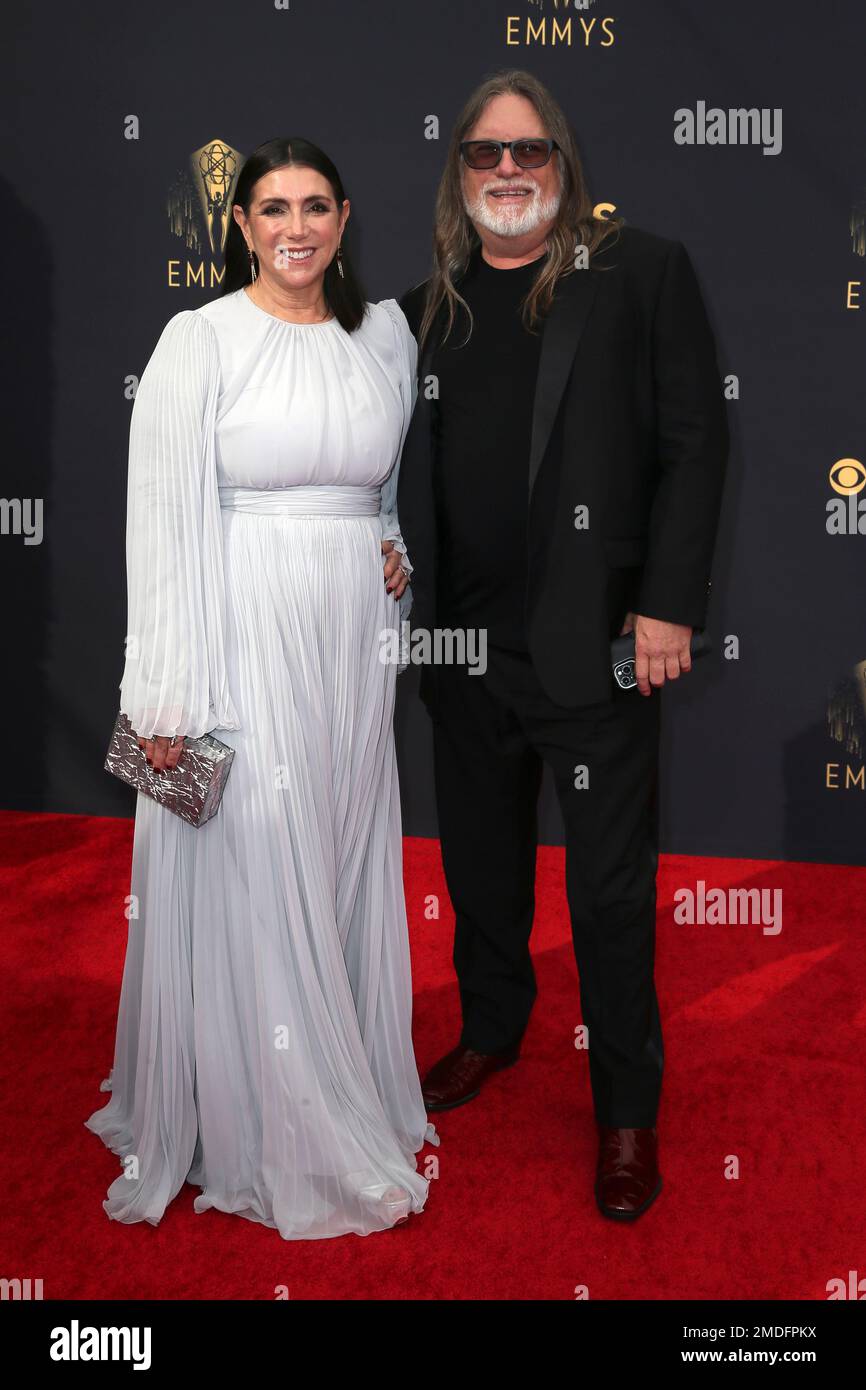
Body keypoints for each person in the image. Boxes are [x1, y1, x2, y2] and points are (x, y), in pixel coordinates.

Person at [86, 137, 437, 1240]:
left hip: (352, 635)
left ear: (344, 218)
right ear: (238, 224)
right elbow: (162, 523)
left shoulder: (382, 333)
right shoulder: (199, 341)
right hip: (242, 627)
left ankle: (339, 1075)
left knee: (334, 847)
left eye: (315, 206)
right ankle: (277, 1123)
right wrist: (167, 695)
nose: (296, 227)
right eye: (272, 208)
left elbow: (375, 491)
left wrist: (394, 556)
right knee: (261, 853)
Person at [397, 70, 728, 1221]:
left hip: (592, 650)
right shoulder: (421, 308)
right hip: (457, 652)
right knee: (479, 870)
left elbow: (694, 441)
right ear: (458, 173)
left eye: (528, 151)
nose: (506, 171)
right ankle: (489, 1030)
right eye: (485, 154)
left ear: (560, 163)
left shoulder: (635, 274)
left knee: (606, 893)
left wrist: (667, 601)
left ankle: (625, 1110)